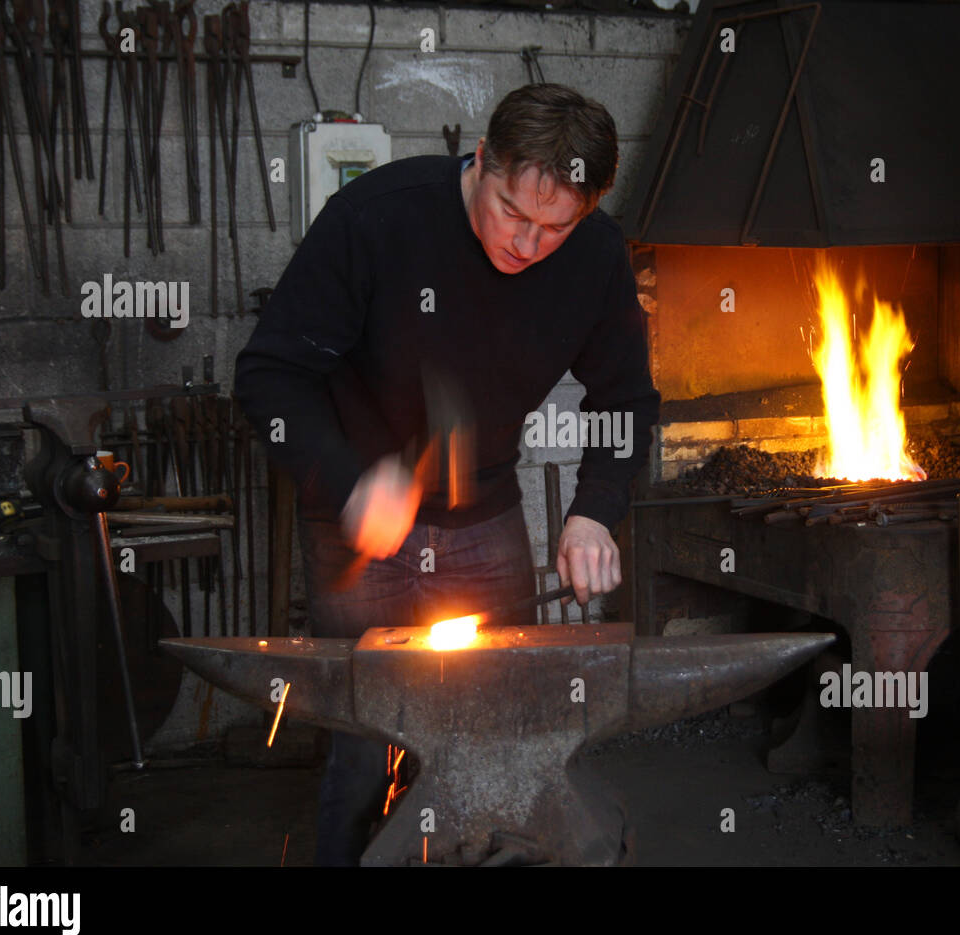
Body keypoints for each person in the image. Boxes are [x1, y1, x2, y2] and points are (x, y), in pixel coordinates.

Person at [232, 83, 660, 865]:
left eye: (554, 227)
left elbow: (626, 399)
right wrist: (349, 481)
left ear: (589, 210)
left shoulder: (597, 256)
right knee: (368, 739)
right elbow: (268, 377)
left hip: (485, 517)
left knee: (495, 724)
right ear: (482, 160)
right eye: (511, 212)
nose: (527, 245)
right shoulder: (376, 219)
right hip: (355, 520)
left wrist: (596, 509)